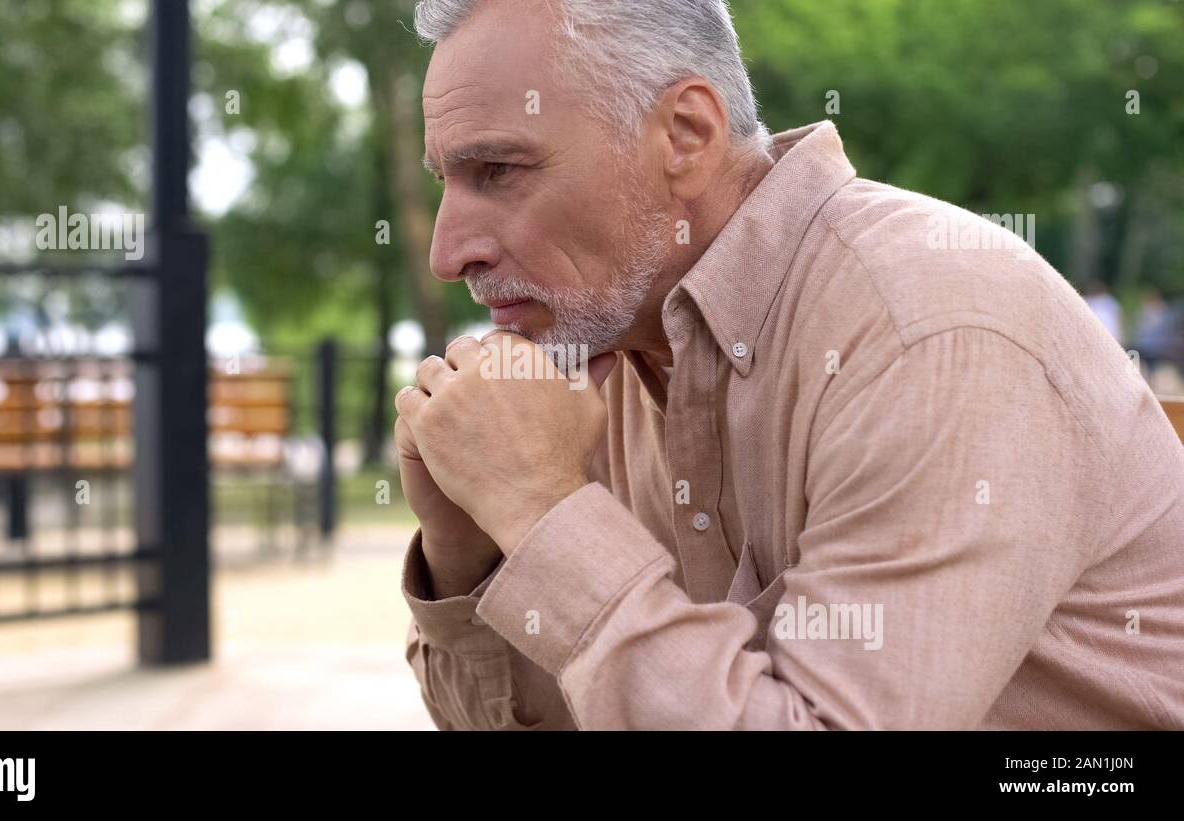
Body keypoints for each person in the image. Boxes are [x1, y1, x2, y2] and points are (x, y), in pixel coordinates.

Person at [393, 0, 1184, 729]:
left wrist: (543, 510)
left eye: (497, 171)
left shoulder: (931, 327)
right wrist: (468, 547)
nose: (445, 252)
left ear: (687, 136)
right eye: (447, 182)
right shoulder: (603, 357)